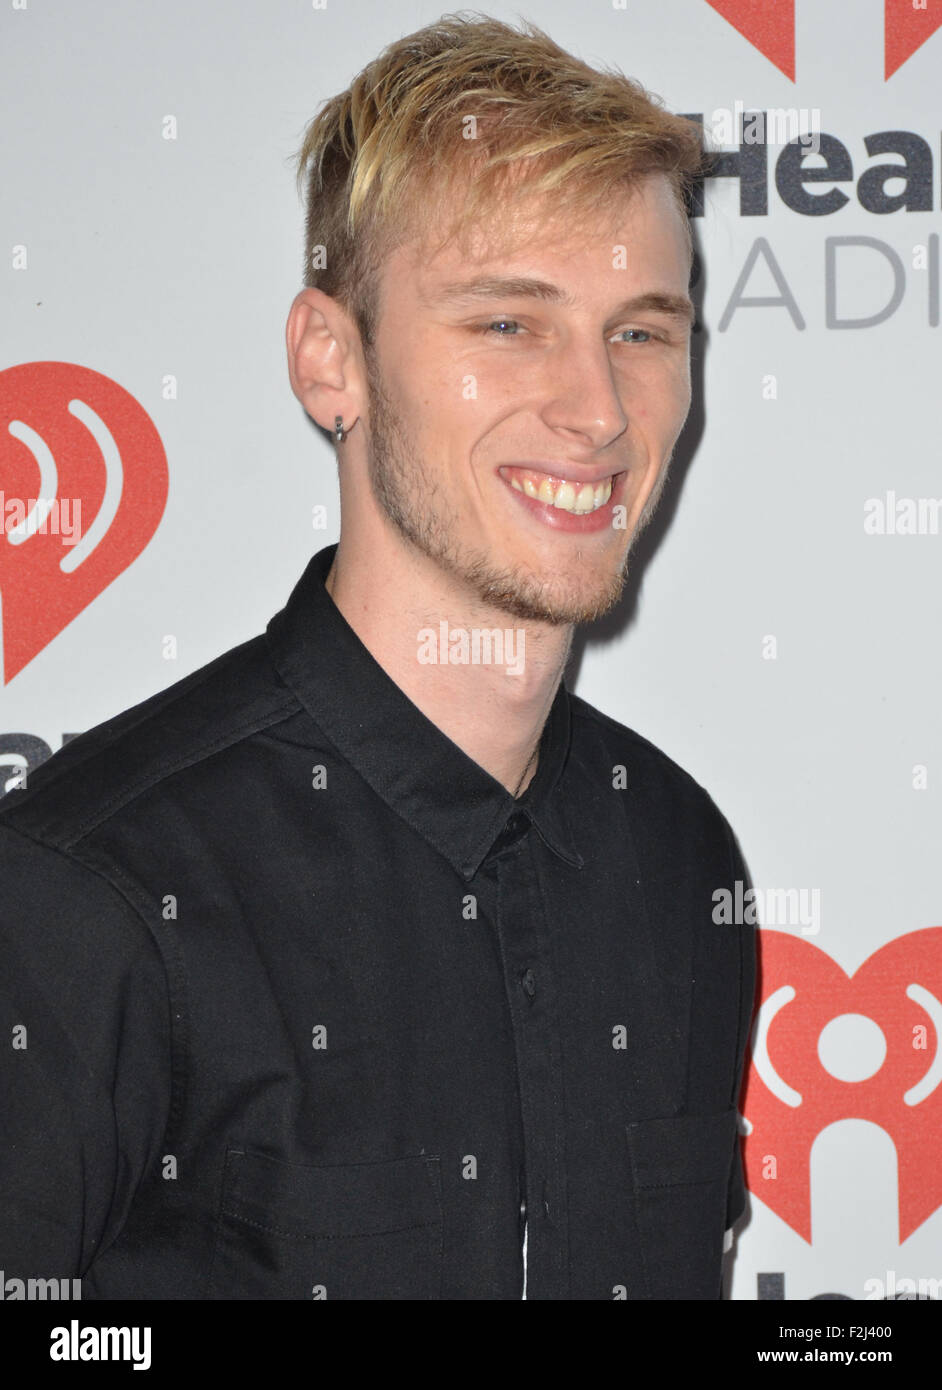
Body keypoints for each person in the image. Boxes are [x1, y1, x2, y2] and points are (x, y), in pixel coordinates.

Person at [0, 13, 756, 1300]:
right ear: (330, 359)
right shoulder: (87, 895)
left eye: (643, 330)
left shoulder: (681, 858)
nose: (596, 410)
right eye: (509, 324)